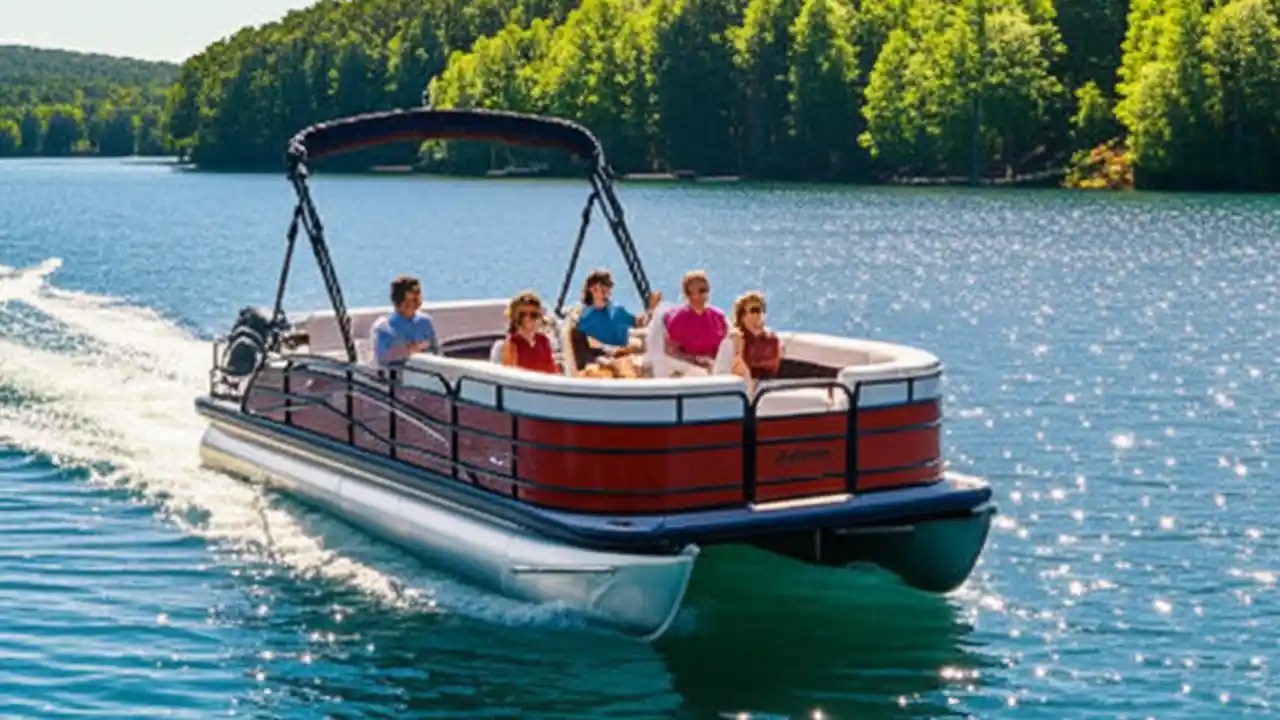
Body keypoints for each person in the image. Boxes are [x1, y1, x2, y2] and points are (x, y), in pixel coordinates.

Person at [576, 268, 662, 352]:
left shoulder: (614, 309)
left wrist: (651, 310)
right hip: (619, 347)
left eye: (608, 292)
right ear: (593, 290)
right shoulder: (584, 317)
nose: (607, 296)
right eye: (603, 292)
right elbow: (585, 341)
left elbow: (637, 322)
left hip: (633, 336)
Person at [663, 270, 728, 371]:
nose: (697, 296)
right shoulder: (679, 320)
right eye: (691, 293)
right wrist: (697, 360)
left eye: (703, 290)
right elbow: (672, 352)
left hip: (717, 366)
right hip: (689, 368)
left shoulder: (718, 318)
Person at [371, 275, 438, 367]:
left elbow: (436, 352)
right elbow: (381, 358)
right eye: (411, 299)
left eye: (417, 296)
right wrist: (407, 350)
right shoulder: (384, 327)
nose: (415, 302)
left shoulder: (425, 322)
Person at [729, 290, 782, 388]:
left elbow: (772, 366)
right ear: (742, 316)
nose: (759, 314)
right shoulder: (734, 339)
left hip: (766, 386)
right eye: (754, 310)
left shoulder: (772, 340)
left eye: (762, 310)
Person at [500, 291, 559, 374]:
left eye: (533, 315)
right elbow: (510, 376)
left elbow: (553, 370)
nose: (527, 319)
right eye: (522, 315)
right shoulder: (511, 345)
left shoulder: (543, 341)